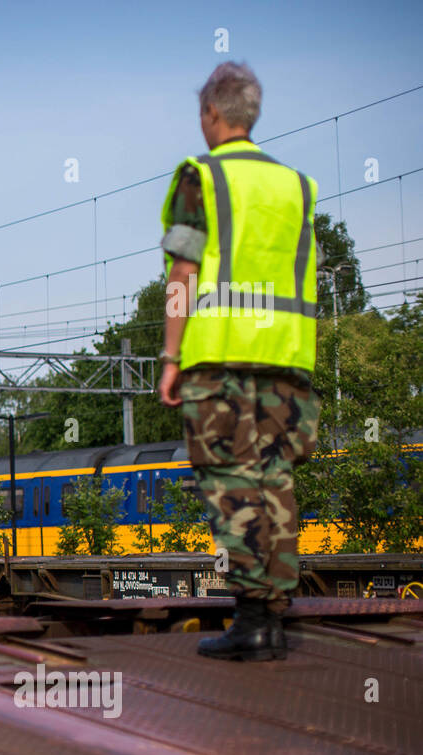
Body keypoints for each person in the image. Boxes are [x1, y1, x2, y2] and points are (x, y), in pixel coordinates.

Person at [157, 62, 321, 662]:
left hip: (220, 358)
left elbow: (183, 272)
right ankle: (273, 617)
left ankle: (252, 621)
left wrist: (171, 356)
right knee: (275, 483)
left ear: (211, 113)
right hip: (286, 361)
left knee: (232, 486)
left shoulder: (202, 178)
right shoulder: (296, 186)